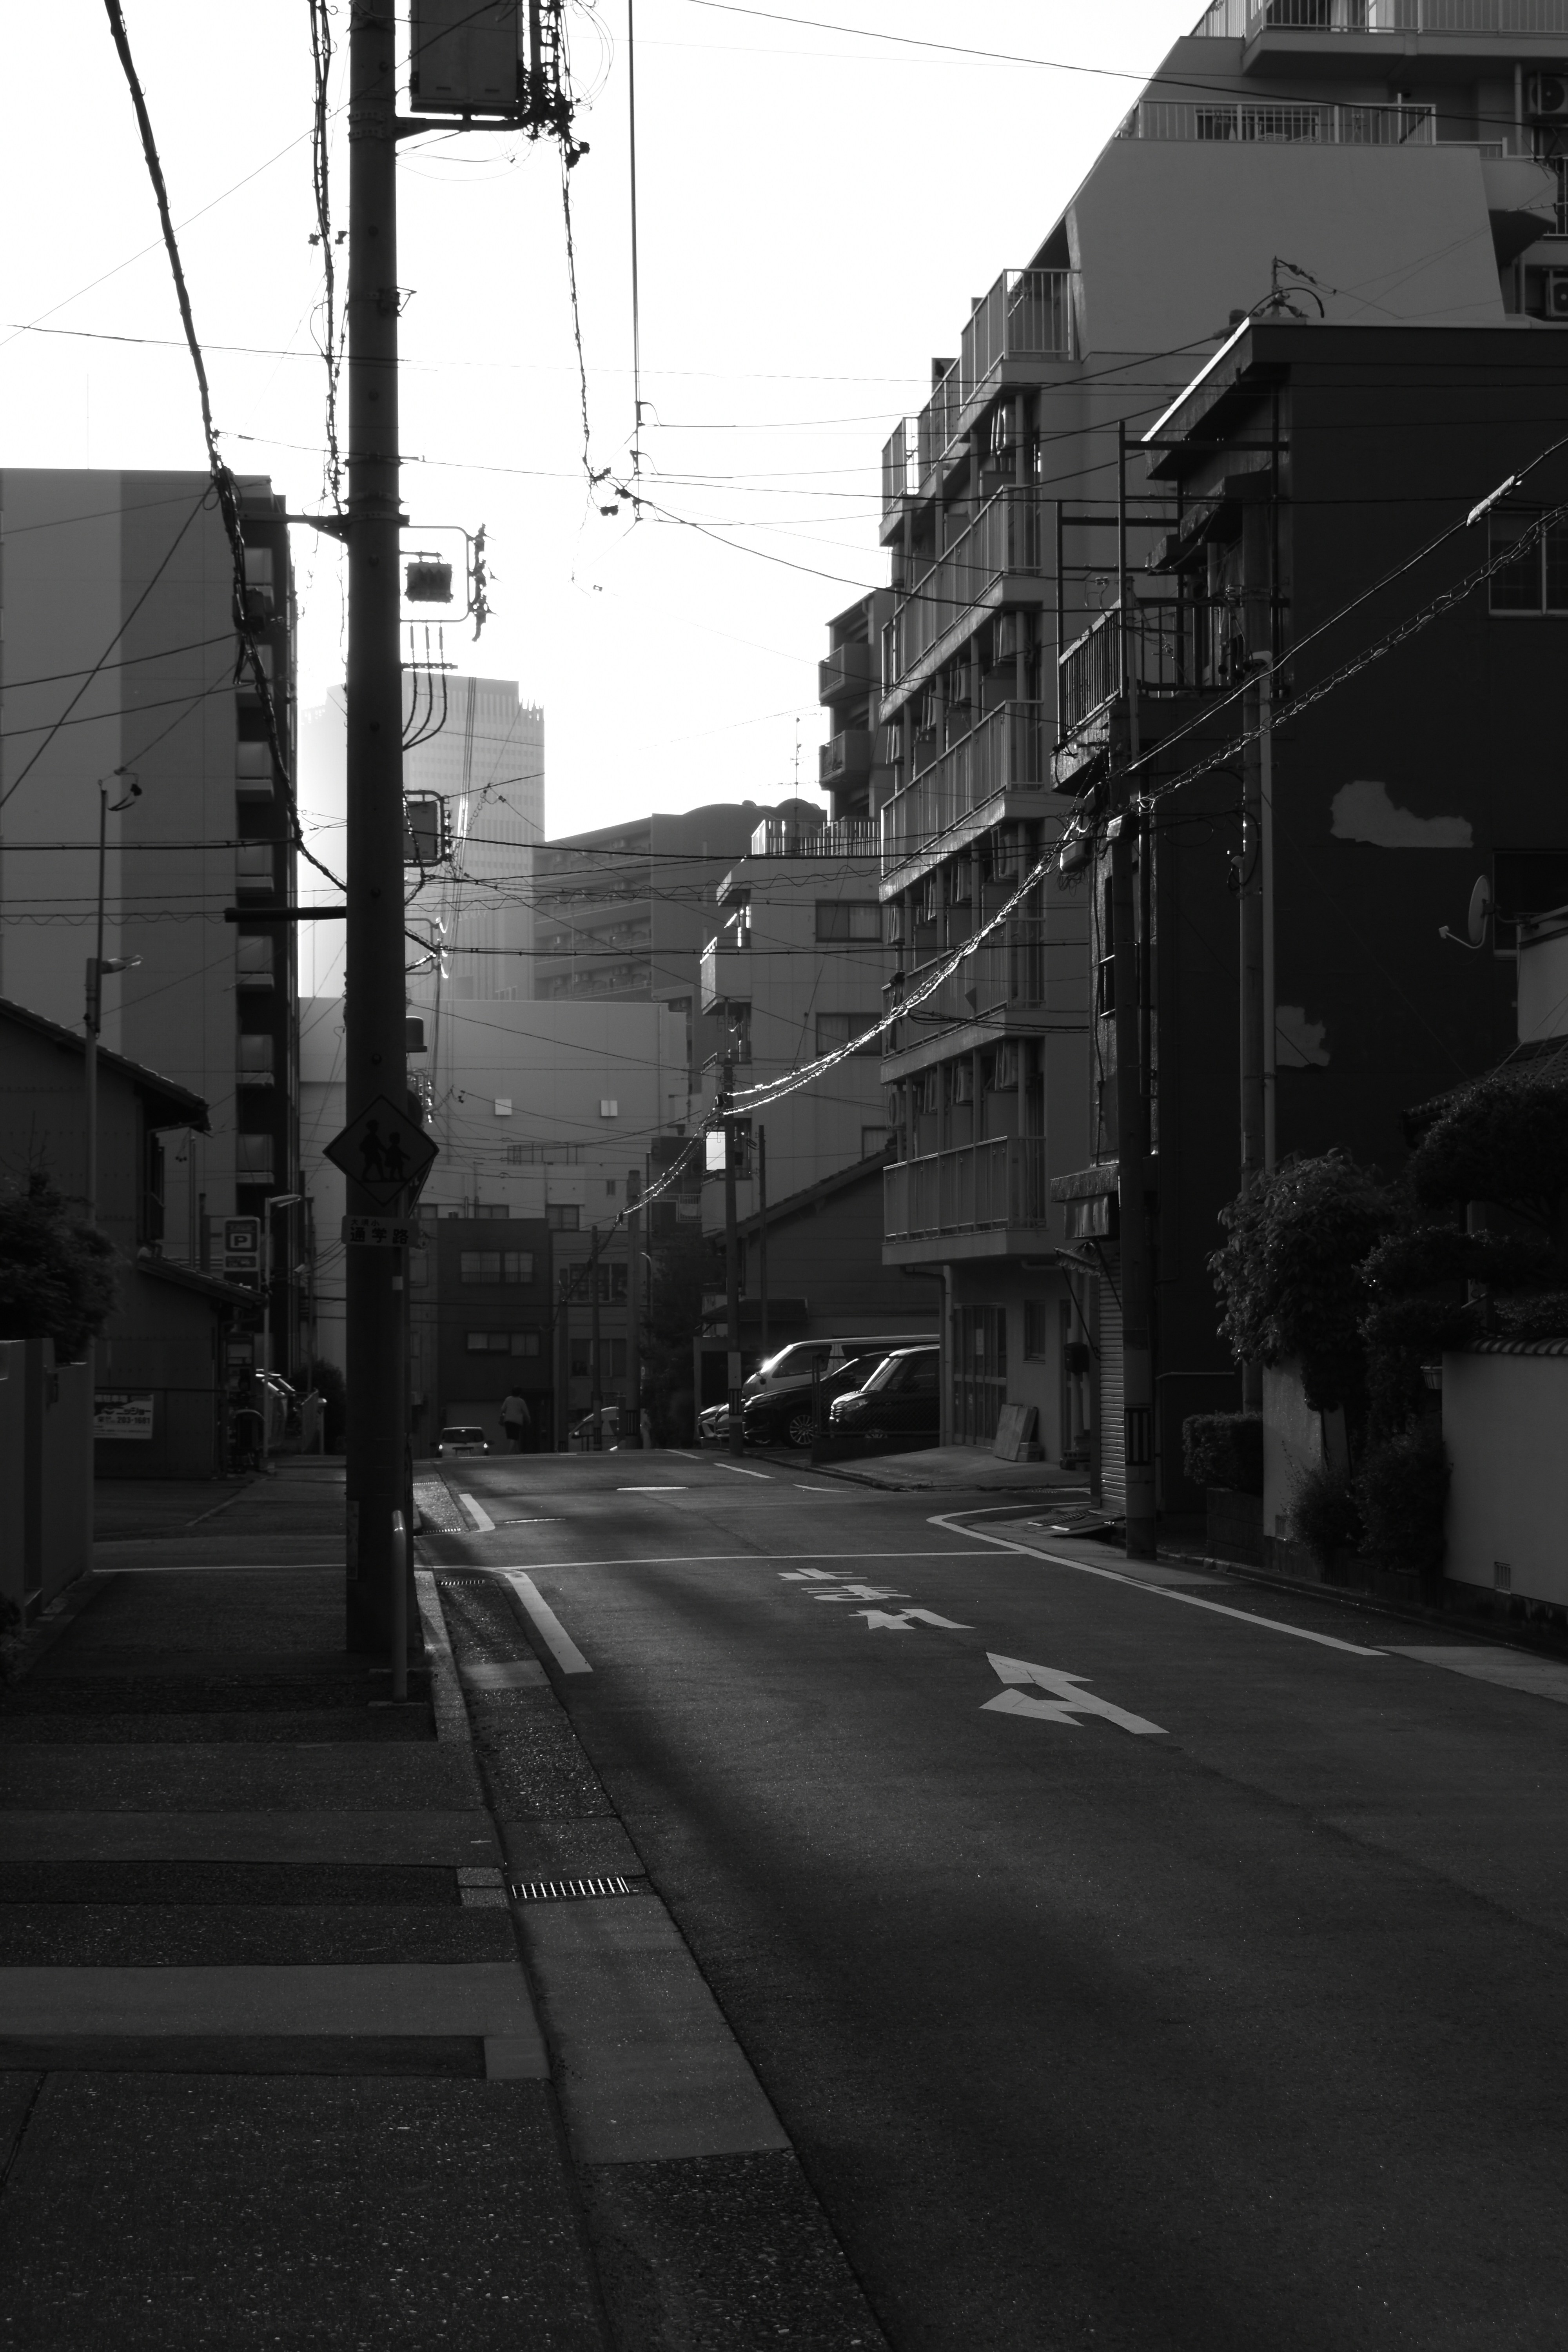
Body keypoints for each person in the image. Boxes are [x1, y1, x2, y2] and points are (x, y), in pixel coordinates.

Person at [499, 1389, 531, 1454]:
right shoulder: (521, 1401)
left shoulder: (508, 1399)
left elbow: (503, 1409)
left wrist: (502, 1415)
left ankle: (517, 1451)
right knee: (514, 1437)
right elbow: (526, 1412)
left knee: (514, 1436)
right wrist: (528, 1419)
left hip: (508, 1420)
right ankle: (509, 1453)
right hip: (517, 1421)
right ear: (520, 1394)